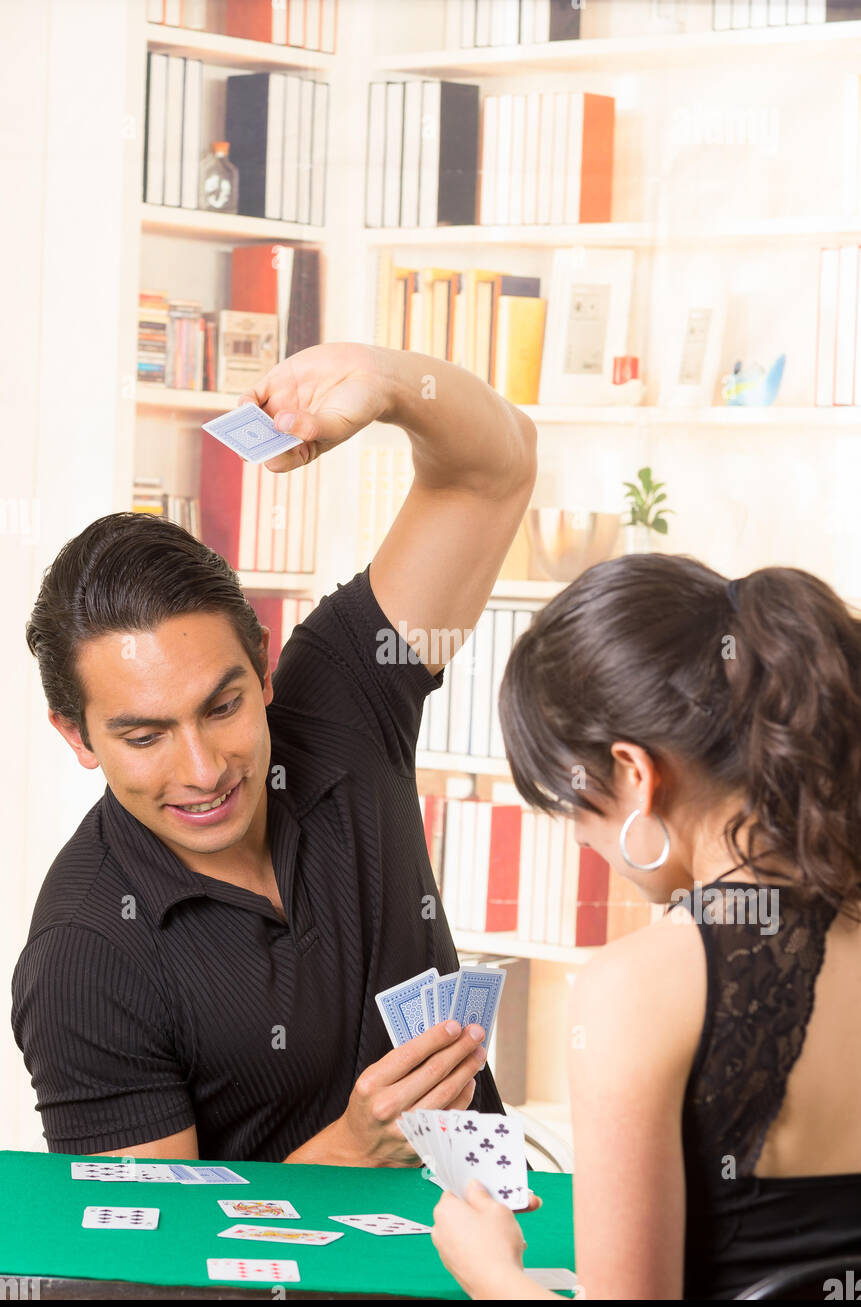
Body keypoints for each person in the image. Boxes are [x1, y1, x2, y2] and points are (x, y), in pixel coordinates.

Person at [12, 341, 537, 1164]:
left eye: (222, 706)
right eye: (144, 735)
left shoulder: (340, 700)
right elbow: (154, 1265)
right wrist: (354, 1146)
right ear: (76, 736)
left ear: (262, 666)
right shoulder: (84, 954)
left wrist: (390, 386)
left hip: (500, 1272)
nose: (203, 768)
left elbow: (491, 472)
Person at [430, 554, 861, 1299]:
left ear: (633, 771)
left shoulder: (636, 990)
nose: (577, 838)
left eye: (572, 805)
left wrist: (489, 1272)